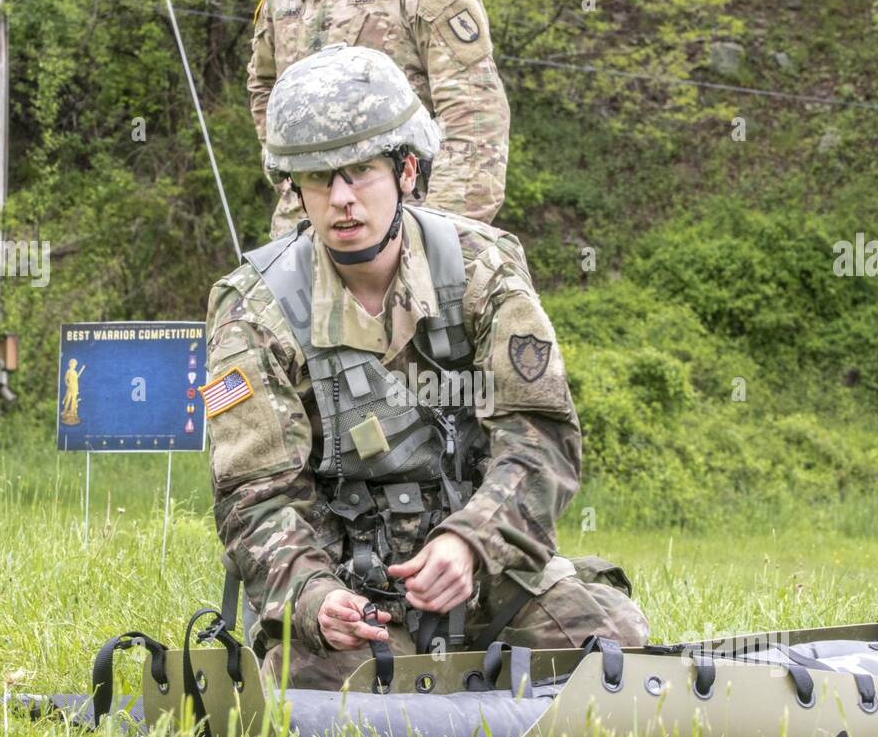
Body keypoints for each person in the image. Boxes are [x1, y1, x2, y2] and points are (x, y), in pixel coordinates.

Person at [206, 45, 647, 690]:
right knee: (322, 691)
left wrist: (472, 541)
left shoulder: (481, 268)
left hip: (486, 570)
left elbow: (541, 440)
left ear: (406, 169)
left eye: (361, 171)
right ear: (295, 188)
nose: (342, 198)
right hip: (353, 594)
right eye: (320, 178)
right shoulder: (255, 308)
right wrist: (312, 595)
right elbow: (256, 496)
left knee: (613, 645)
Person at [247, 0, 510, 237]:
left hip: (403, 227)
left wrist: (442, 233)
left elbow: (475, 111)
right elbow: (264, 87)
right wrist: (292, 178)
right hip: (306, 230)